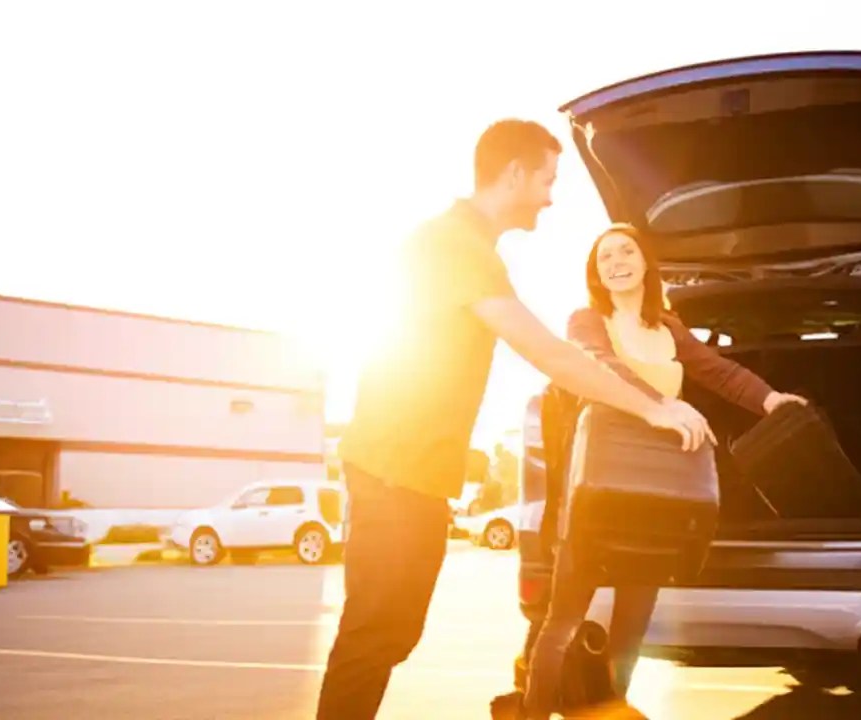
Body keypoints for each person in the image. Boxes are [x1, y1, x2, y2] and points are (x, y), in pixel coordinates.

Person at [315, 120, 714, 720]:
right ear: (514, 174)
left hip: (414, 477)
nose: (552, 196)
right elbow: (551, 354)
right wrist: (653, 408)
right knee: (375, 635)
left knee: (391, 633)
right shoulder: (456, 246)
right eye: (548, 179)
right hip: (391, 472)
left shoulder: (466, 248)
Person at [520, 223, 806, 719]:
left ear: (646, 262)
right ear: (597, 273)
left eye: (626, 250)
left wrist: (770, 399)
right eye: (605, 256)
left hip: (658, 495)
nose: (617, 260)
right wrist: (664, 406)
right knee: (562, 621)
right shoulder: (587, 321)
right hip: (598, 490)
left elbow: (719, 371)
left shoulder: (669, 328)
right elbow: (601, 365)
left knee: (631, 627)